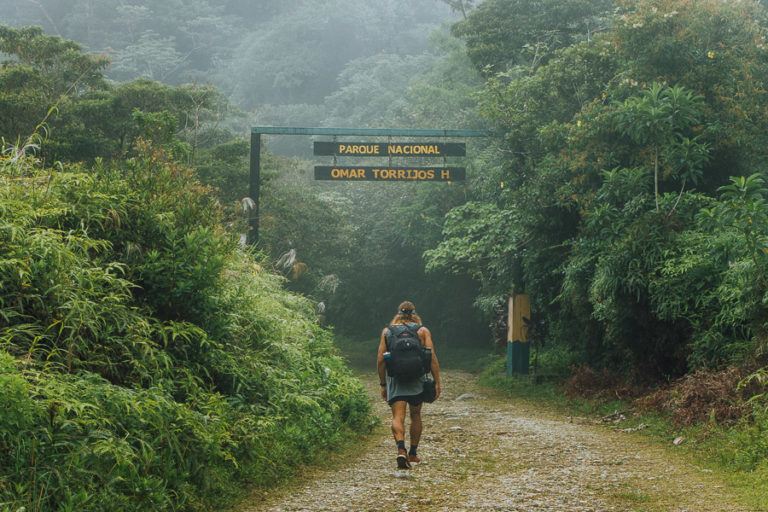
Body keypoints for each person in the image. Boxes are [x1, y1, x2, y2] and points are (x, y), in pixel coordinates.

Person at [377, 301, 442, 469]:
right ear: (414, 314)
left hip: (396, 380)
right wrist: (437, 381)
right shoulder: (422, 331)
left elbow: (380, 360)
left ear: (398, 314)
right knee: (415, 415)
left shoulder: (387, 332)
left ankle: (401, 449)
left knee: (398, 416)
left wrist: (383, 384)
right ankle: (413, 453)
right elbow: (432, 357)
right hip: (417, 379)